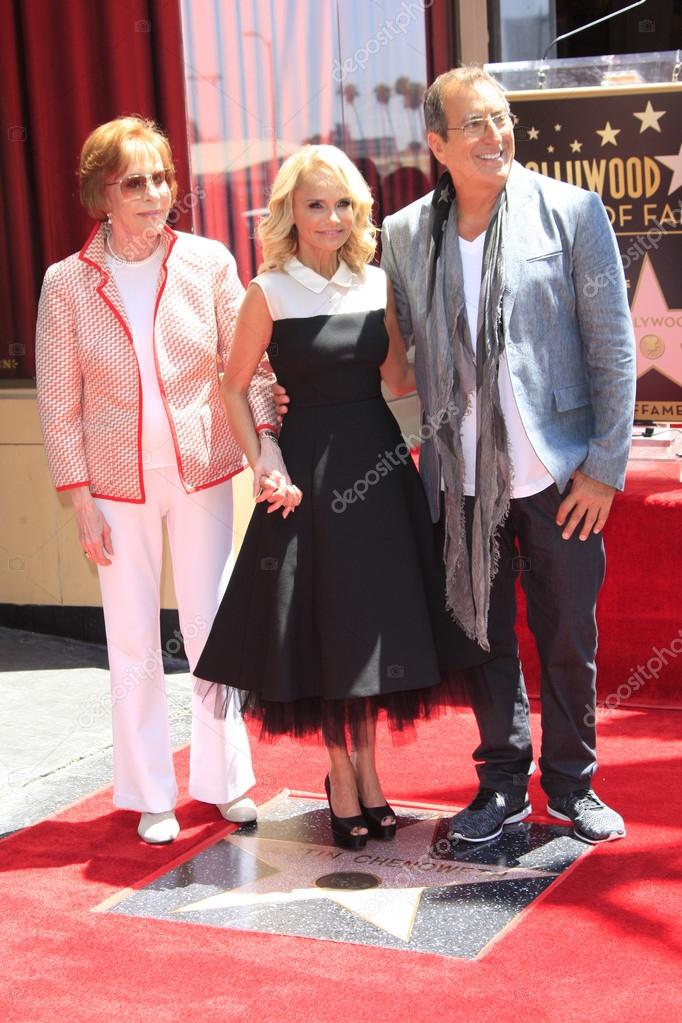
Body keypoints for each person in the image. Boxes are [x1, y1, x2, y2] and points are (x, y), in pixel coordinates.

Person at [195, 144, 487, 850]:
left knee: (373, 623)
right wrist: (265, 456)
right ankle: (341, 775)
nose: (331, 217)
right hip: (308, 482)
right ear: (290, 212)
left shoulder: (375, 282)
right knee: (328, 628)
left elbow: (397, 379)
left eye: (343, 203)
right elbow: (234, 386)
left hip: (379, 467)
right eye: (316, 203)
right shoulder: (268, 290)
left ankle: (370, 770)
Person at [378, 66, 636, 844]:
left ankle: (574, 785)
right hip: (459, 483)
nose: (498, 136)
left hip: (559, 476)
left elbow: (614, 349)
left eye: (503, 118)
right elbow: (392, 355)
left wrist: (603, 466)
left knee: (567, 638)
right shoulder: (403, 234)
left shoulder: (570, 212)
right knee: (480, 639)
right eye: (477, 125)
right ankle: (500, 786)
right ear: (437, 145)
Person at [35, 115, 285, 844]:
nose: (154, 194)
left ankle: (225, 779)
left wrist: (265, 443)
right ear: (101, 194)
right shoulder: (68, 282)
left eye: (162, 178)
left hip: (204, 470)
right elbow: (57, 401)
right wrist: (79, 498)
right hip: (114, 488)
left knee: (214, 625)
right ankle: (150, 791)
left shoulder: (208, 263)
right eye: (134, 182)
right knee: (133, 637)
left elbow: (251, 370)